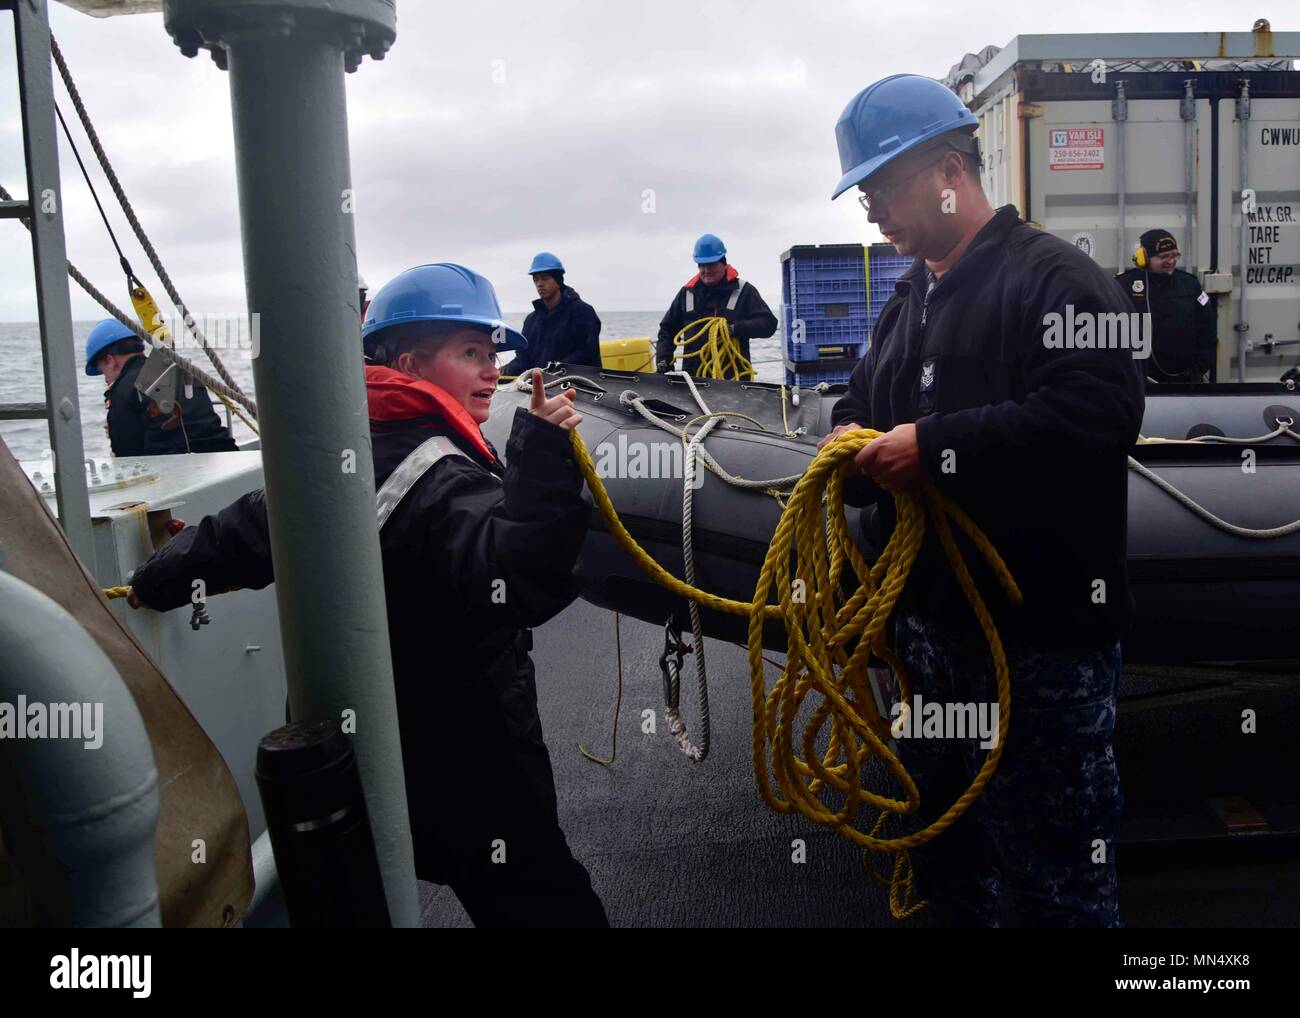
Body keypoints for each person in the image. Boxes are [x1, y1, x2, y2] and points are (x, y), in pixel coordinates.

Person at [126, 263, 609, 928]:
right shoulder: (443, 476)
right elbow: (519, 577)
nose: (490, 371)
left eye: (491, 354)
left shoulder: (335, 459)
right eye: (470, 353)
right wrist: (545, 455)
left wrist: (157, 579)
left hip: (376, 762)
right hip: (476, 761)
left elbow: (244, 531)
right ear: (409, 362)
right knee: (548, 905)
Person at [820, 73, 1144, 927]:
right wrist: (850, 446)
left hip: (1039, 646)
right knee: (953, 857)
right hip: (932, 642)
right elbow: (857, 403)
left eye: (880, 188)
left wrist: (933, 446)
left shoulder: (1060, 281)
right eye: (864, 196)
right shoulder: (907, 303)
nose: (871, 213)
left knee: (1056, 877)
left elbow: (1098, 415)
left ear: (945, 171)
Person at [85, 318, 237, 455]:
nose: (105, 378)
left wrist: (114, 429)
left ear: (110, 360)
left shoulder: (123, 391)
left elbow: (126, 454)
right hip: (224, 457)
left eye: (101, 370)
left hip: (174, 476)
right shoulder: (182, 371)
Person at [655, 233, 777, 375]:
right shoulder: (687, 293)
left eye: (711, 265)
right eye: (702, 266)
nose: (707, 271)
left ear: (723, 263)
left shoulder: (744, 291)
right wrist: (663, 359)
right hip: (694, 378)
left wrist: (734, 329)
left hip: (733, 380)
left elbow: (769, 324)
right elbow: (667, 330)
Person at [1114, 228, 1217, 383]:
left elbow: (1207, 327)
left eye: (1175, 255)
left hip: (1185, 380)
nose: (1171, 261)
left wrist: (1200, 367)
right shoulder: (1124, 286)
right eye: (1163, 257)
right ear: (1144, 258)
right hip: (1139, 382)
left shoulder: (1190, 284)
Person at [502, 252, 601, 374]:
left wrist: (549, 372)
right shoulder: (531, 320)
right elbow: (523, 361)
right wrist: (497, 374)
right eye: (536, 279)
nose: (539, 284)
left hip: (578, 387)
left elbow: (586, 356)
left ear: (558, 280)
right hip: (540, 386)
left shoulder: (583, 313)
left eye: (545, 278)